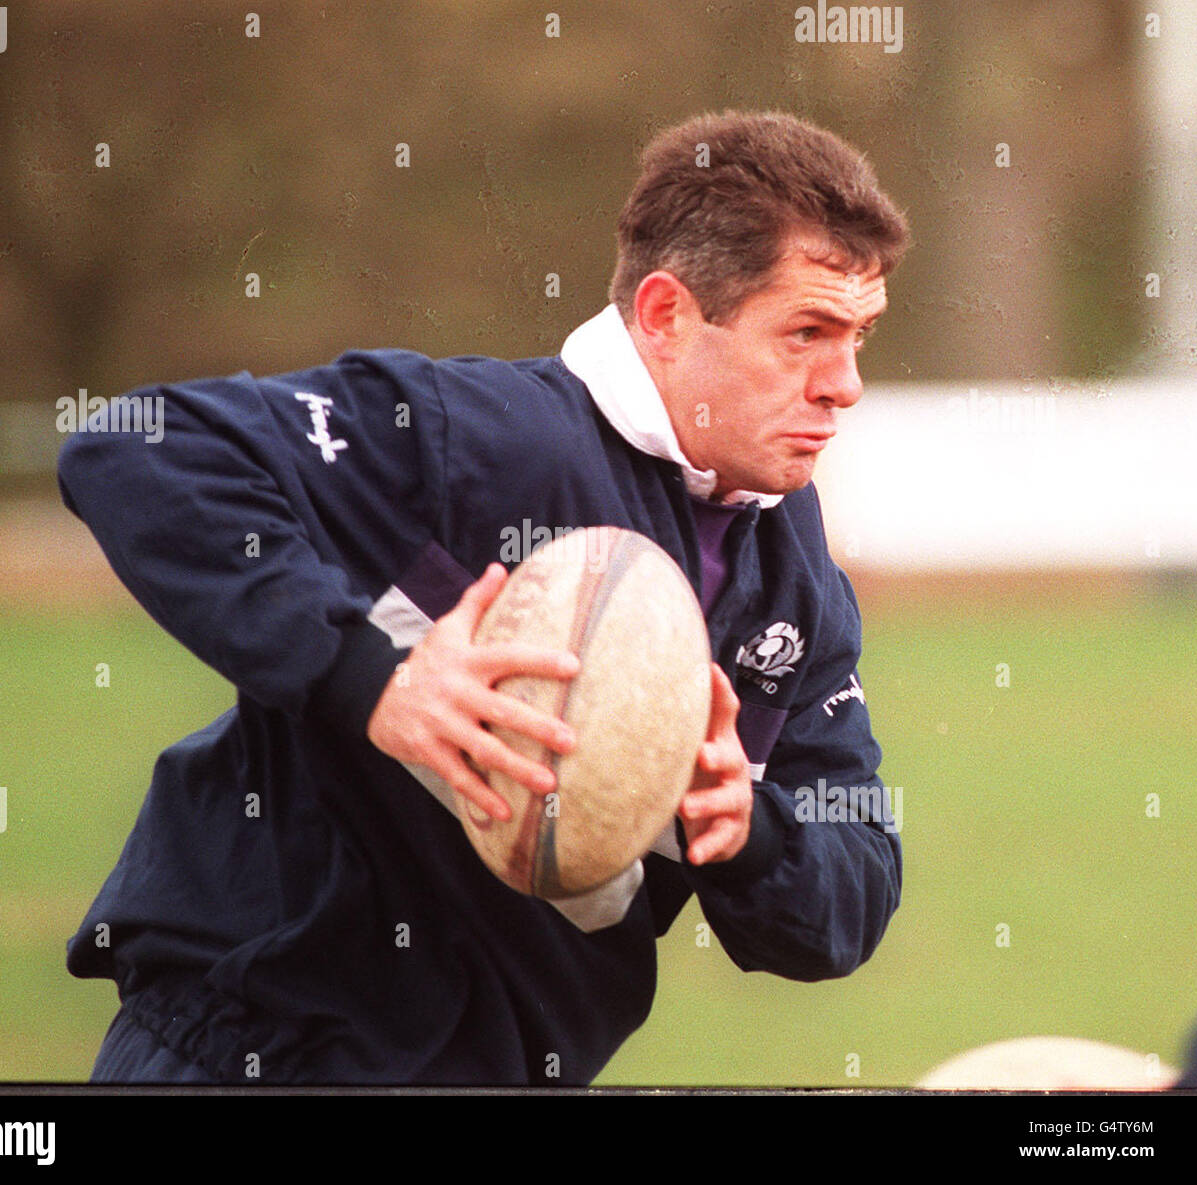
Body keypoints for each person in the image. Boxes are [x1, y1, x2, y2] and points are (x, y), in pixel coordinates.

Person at [60, 109, 910, 1085]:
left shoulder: (791, 587)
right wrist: (371, 681)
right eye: (806, 332)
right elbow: (138, 442)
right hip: (254, 1055)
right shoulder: (489, 441)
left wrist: (745, 830)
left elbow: (855, 887)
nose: (843, 384)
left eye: (859, 336)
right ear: (668, 316)